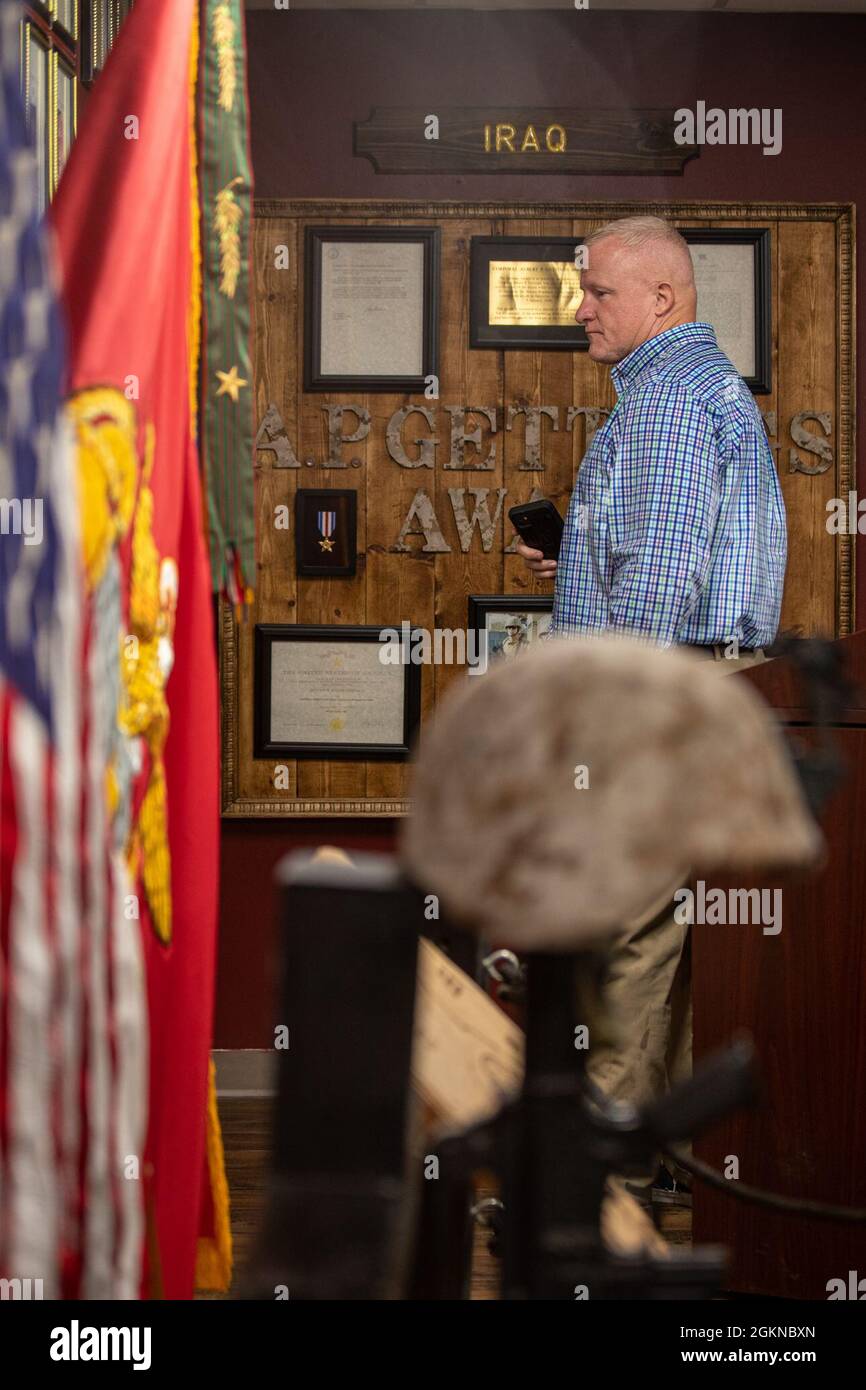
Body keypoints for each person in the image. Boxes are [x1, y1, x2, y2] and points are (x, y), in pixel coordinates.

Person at [515, 215, 787, 1204]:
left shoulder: (666, 397)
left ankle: (600, 1165)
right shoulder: (696, 391)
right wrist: (575, 556)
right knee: (663, 926)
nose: (579, 310)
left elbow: (666, 581)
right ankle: (666, 1152)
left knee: (622, 926)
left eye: (597, 294)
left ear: (661, 300)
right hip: (705, 691)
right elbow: (666, 556)